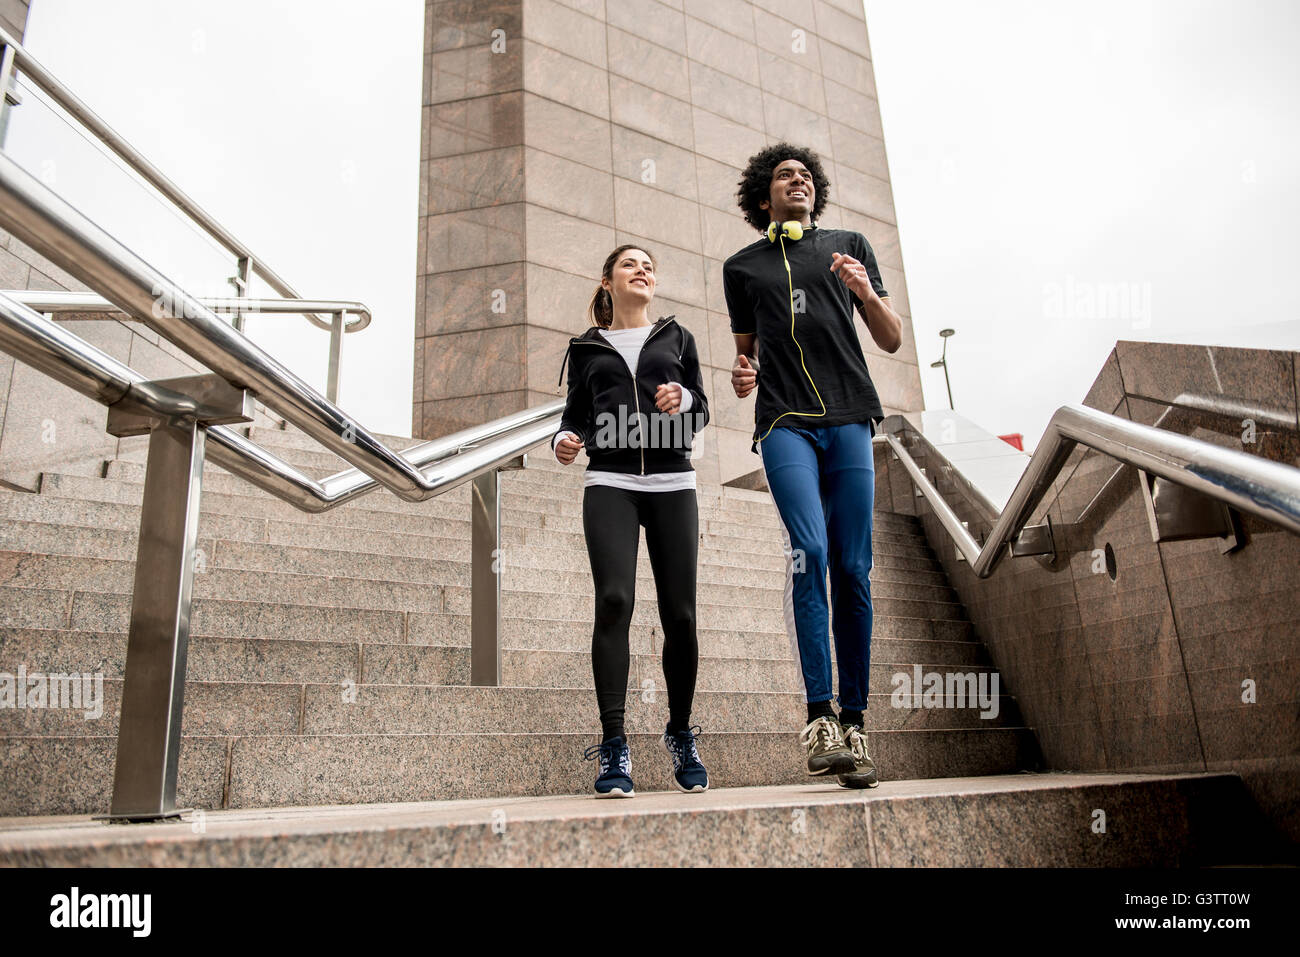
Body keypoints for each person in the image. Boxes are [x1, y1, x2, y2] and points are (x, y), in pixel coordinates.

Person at [723, 143, 904, 789]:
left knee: (853, 568)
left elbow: (890, 337)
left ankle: (855, 722)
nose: (797, 180)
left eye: (805, 175)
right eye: (784, 176)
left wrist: (863, 289)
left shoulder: (847, 245)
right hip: (783, 421)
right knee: (809, 551)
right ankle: (819, 714)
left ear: (813, 193)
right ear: (763, 197)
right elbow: (746, 357)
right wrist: (743, 375)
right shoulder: (741, 267)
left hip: (850, 415)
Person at [553, 243, 711, 798]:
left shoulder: (677, 337)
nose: (642, 271)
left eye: (648, 266)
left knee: (682, 615)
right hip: (610, 482)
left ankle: (680, 731)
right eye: (630, 264)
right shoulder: (586, 347)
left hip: (672, 480)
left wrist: (685, 396)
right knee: (615, 600)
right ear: (607, 281)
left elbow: (704, 407)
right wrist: (564, 439)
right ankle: (615, 744)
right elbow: (574, 416)